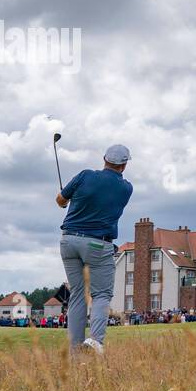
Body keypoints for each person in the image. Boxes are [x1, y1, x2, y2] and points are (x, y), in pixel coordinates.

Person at [55, 143, 133, 355]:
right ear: (123, 166)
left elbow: (60, 200)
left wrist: (65, 201)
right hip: (98, 243)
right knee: (101, 295)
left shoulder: (85, 175)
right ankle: (95, 341)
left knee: (78, 294)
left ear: (104, 159)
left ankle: (74, 350)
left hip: (69, 240)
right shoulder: (126, 188)